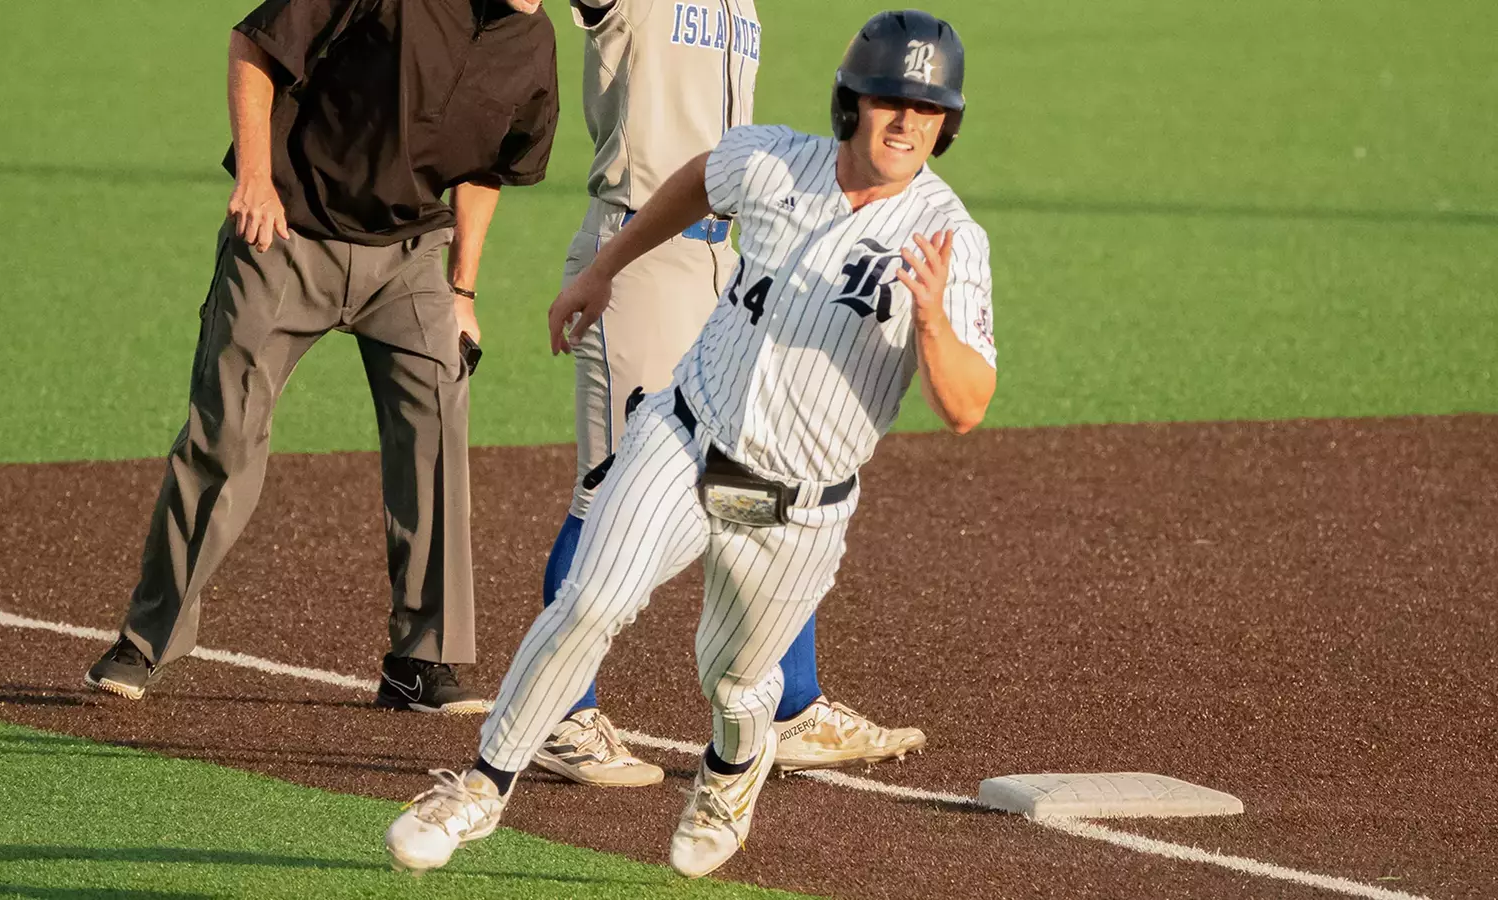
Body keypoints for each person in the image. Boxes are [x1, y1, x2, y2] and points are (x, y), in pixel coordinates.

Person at [385, 8, 996, 878]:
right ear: (851, 103)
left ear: (948, 123)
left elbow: (968, 404)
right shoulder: (777, 157)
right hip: (684, 437)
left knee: (740, 683)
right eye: (889, 100)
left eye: (927, 110)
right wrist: (606, 267)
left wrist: (933, 322)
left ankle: (729, 772)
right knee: (593, 600)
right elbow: (701, 179)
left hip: (796, 507)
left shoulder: (949, 240)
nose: (907, 122)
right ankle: (479, 786)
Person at [82, 0, 559, 713]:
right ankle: (146, 641)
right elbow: (254, 45)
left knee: (436, 430)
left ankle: (420, 660)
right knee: (226, 439)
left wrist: (463, 286)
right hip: (288, 234)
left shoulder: (534, 44)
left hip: (410, 256)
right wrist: (254, 176)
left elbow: (489, 167)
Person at [529, 0, 923, 789]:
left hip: (728, 258)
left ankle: (793, 707)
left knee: (757, 478)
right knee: (606, 491)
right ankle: (562, 715)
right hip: (638, 251)